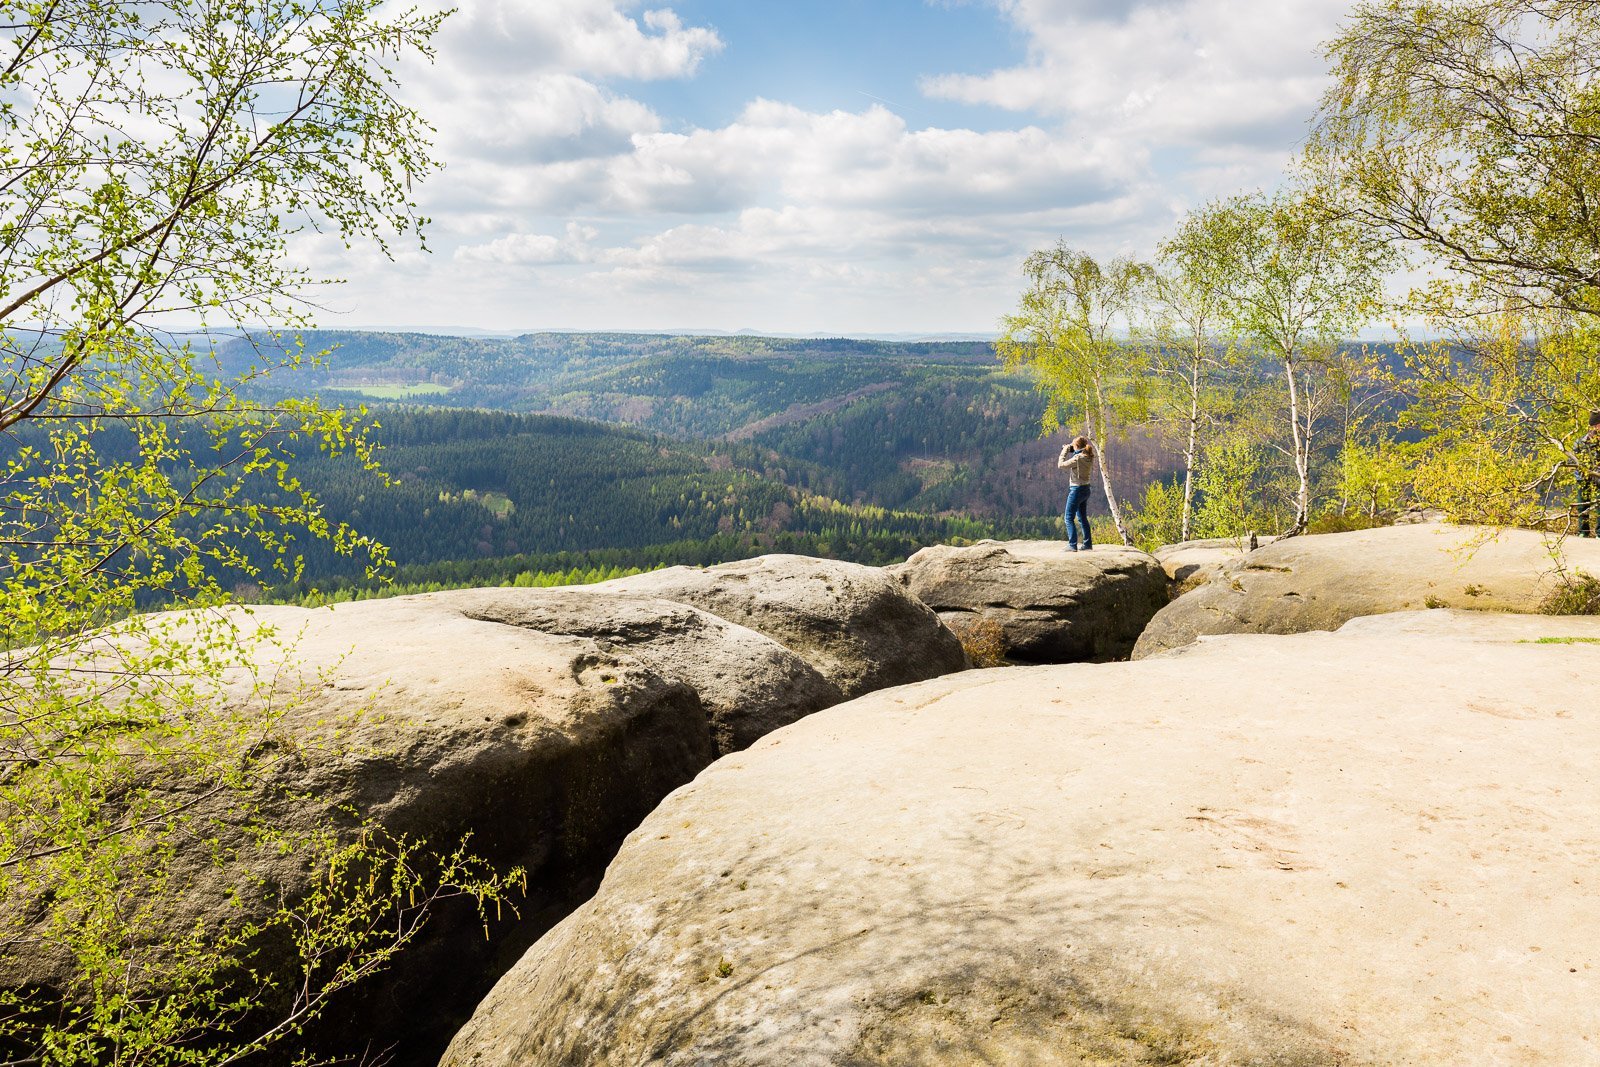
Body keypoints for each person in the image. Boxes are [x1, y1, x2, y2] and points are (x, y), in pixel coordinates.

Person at [1057, 435, 1096, 551]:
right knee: (1082, 518)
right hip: (1086, 489)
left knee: (1068, 518)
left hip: (1076, 490)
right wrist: (1073, 448)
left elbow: (1061, 465)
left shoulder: (1078, 458)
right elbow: (1079, 454)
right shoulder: (1089, 456)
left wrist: (1065, 450)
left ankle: (1072, 544)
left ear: (1077, 446)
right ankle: (1087, 544)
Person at [1577, 411, 1600, 538]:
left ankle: (1599, 533)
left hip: (1598, 476)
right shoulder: (1581, 442)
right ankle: (1583, 532)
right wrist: (1583, 470)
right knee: (1582, 504)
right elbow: (1573, 460)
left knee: (1599, 503)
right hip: (1583, 476)